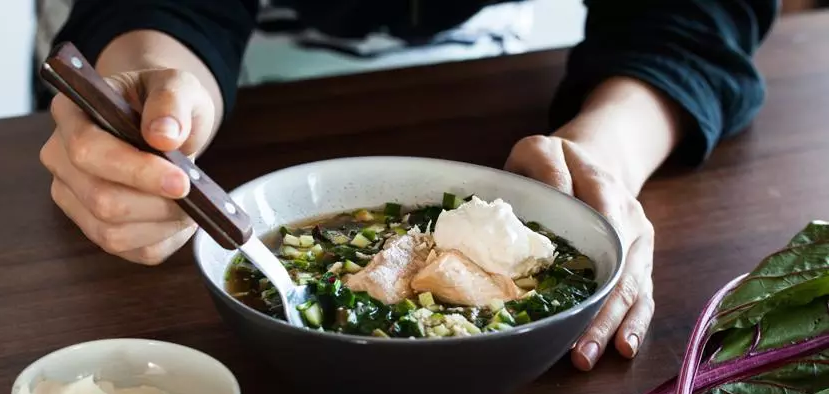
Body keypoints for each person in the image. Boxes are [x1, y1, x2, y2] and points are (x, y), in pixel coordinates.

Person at [38, 0, 779, 372]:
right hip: (239, 90)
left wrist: (602, 156)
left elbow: (692, 15)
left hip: (490, 70)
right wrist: (161, 107)